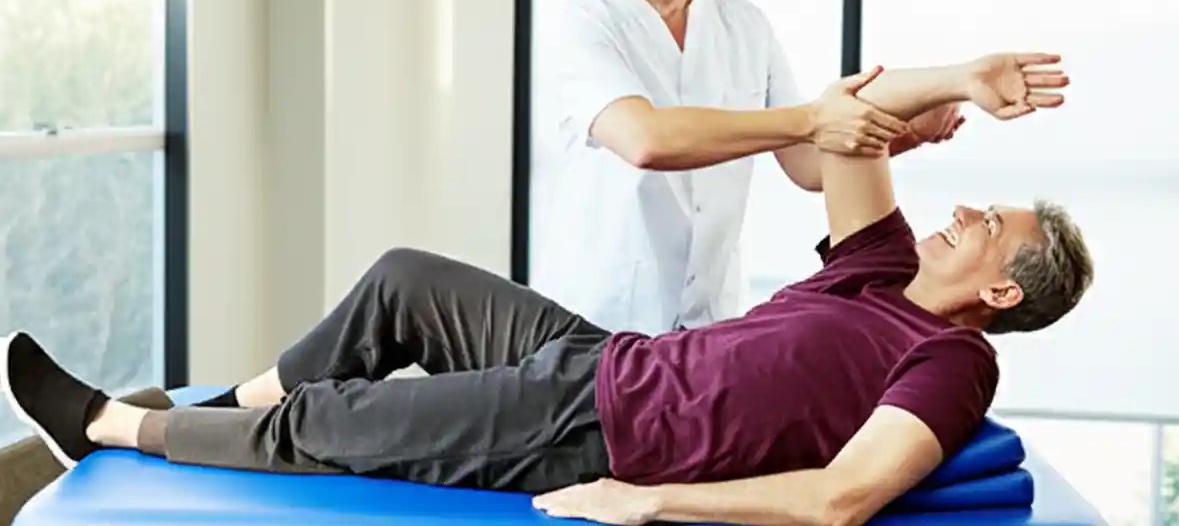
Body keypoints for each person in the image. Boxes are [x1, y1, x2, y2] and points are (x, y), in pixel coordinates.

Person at [2, 52, 1091, 526]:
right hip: (608, 358)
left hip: (604, 431)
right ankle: (214, 413)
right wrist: (960, 79)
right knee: (403, 283)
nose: (961, 213)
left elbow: (839, 497)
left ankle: (103, 429)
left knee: (331, 423)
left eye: (986, 225)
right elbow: (843, 111)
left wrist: (647, 497)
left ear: (999, 291)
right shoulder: (878, 269)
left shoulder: (949, 362)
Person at [531, 0, 964, 335]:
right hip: (599, 323)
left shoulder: (744, 25)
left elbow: (807, 165)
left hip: (711, 328)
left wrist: (912, 131)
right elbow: (646, 140)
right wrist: (814, 118)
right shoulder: (586, 23)